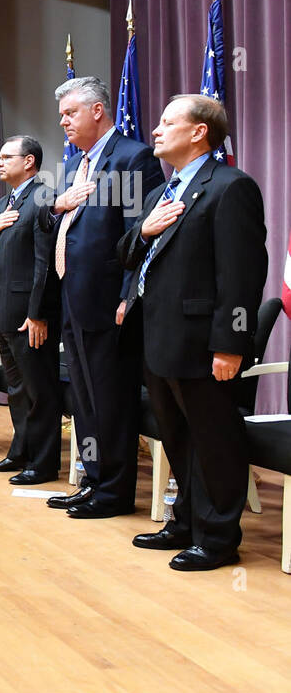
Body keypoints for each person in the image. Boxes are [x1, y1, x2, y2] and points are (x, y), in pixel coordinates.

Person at [119, 96, 266, 570]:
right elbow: (125, 251)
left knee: (213, 439)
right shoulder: (162, 192)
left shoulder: (230, 187)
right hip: (158, 336)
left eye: (167, 122)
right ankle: (185, 521)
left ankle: (219, 538)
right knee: (176, 437)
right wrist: (144, 230)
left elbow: (241, 274)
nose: (156, 131)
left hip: (203, 343)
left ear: (199, 132)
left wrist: (230, 344)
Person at [41, 75, 164, 518]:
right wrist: (55, 206)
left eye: (70, 113)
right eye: (61, 116)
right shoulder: (75, 165)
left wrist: (128, 296)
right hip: (74, 296)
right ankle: (93, 481)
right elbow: (61, 225)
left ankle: (113, 492)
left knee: (110, 398)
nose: (63, 123)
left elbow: (141, 234)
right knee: (84, 398)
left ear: (97, 110)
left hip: (109, 300)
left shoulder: (133, 157)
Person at [0, 136, 62, 484]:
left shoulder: (43, 197)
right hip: (4, 313)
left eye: (7, 157)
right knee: (17, 390)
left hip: (29, 315)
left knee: (40, 391)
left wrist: (38, 312)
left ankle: (43, 462)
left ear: (29, 162)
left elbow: (45, 262)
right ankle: (20, 452)